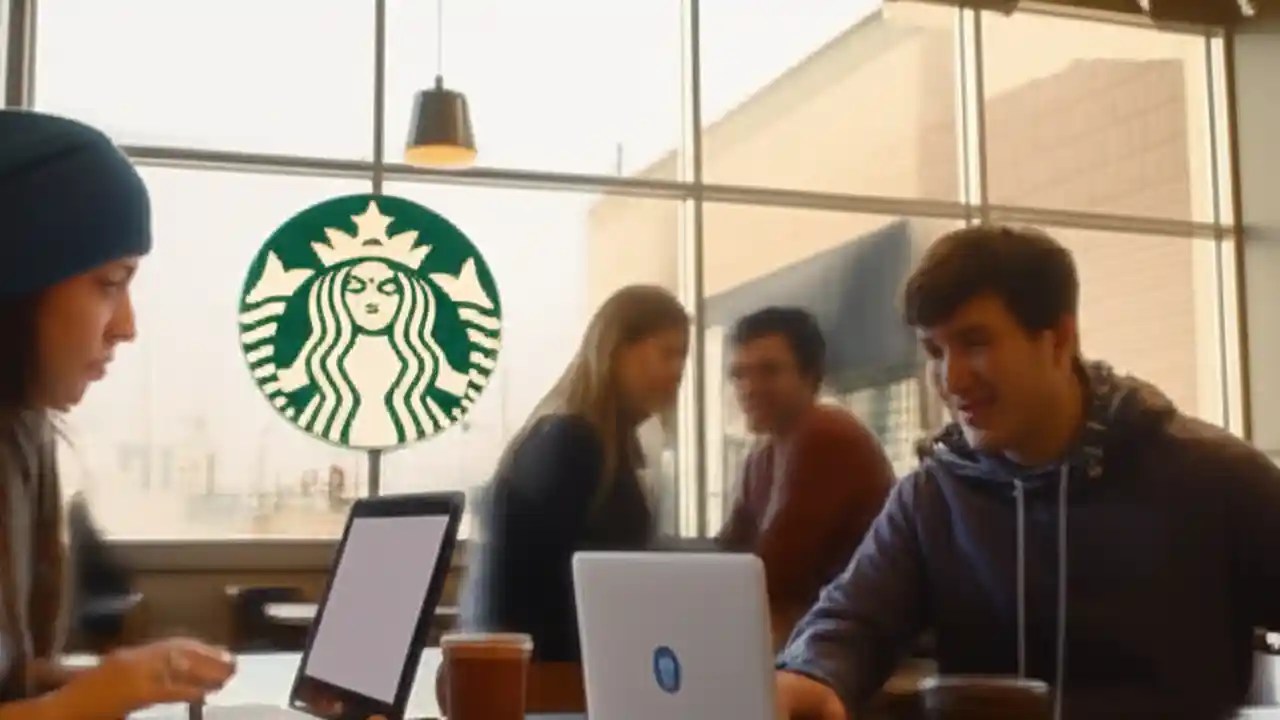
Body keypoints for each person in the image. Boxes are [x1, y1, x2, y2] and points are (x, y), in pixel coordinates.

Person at [775, 225, 1280, 720]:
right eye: (934, 351)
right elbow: (852, 620)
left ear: (1059, 340)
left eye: (975, 342)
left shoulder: (1212, 478)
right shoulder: (934, 495)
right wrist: (813, 674)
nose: (951, 379)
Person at [0, 109, 235, 718]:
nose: (127, 327)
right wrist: (95, 698)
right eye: (110, 283)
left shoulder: (19, 435)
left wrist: (122, 678)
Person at [462, 285, 689, 662]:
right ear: (617, 350)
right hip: (552, 681)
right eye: (667, 352)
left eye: (682, 357)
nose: (678, 372)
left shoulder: (582, 439)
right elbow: (554, 595)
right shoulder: (572, 444)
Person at [716, 307, 893, 647]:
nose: (749, 388)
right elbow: (730, 553)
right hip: (807, 640)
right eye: (739, 375)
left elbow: (775, 574)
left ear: (811, 376)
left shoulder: (826, 433)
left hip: (852, 648)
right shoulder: (761, 454)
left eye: (769, 371)